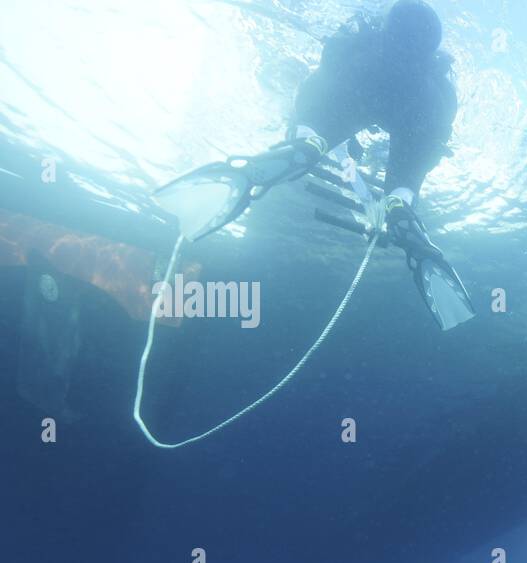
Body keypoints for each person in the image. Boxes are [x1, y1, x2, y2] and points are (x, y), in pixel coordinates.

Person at [153, 0, 472, 329]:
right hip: (419, 101)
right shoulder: (436, 79)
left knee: (313, 136)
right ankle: (400, 207)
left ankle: (305, 146)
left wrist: (307, 121)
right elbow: (434, 136)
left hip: (362, 76)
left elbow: (327, 73)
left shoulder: (367, 38)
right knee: (402, 188)